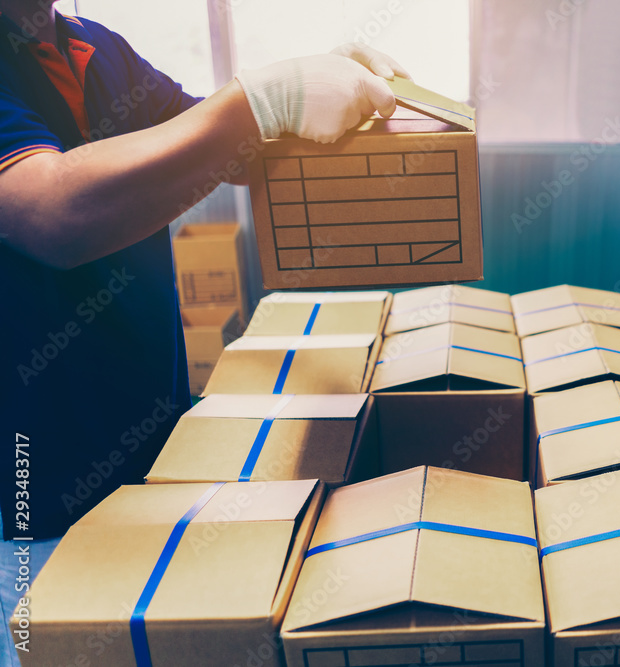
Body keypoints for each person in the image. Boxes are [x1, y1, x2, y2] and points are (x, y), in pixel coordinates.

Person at [0, 1, 410, 664]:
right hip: (32, 485)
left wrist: (312, 89)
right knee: (56, 646)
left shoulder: (95, 47)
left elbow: (223, 149)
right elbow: (55, 212)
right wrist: (263, 100)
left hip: (153, 445)